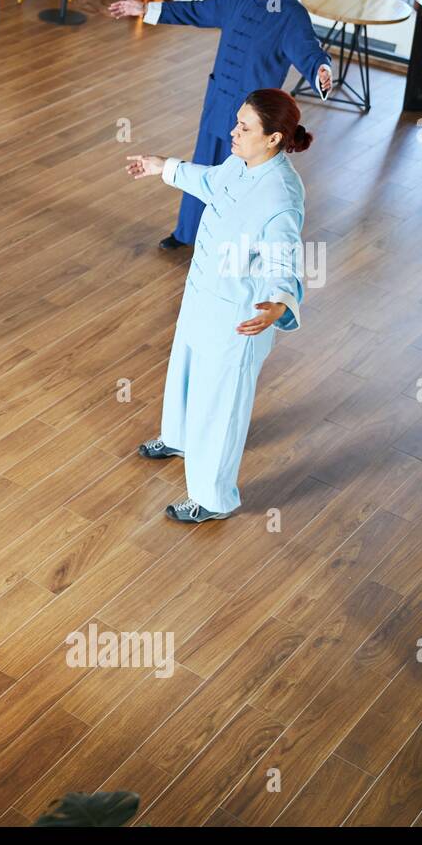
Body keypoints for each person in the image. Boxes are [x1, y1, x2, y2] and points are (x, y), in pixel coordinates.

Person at [125, 88, 311, 523]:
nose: (234, 131)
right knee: (186, 370)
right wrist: (162, 167)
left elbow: (283, 259)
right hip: (203, 294)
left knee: (221, 403)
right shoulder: (240, 164)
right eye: (237, 121)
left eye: (245, 127)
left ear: (273, 138)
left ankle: (212, 497)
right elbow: (210, 183)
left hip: (239, 314)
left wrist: (278, 305)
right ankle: (178, 436)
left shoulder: (281, 195)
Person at [109, 0, 331, 250]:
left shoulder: (291, 15)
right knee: (202, 162)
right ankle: (187, 233)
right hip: (219, 98)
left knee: (238, 176)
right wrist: (146, 9)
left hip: (254, 116)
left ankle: (225, 242)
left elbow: (309, 51)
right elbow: (197, 10)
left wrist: (321, 71)